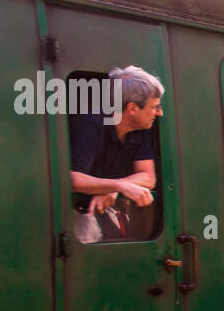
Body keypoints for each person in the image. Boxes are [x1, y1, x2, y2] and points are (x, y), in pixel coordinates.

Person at [69, 66, 164, 244]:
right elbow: (72, 179)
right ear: (132, 109)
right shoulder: (90, 125)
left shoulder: (140, 127)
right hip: (76, 219)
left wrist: (112, 189)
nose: (160, 113)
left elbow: (148, 177)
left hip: (107, 214)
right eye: (155, 107)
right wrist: (119, 186)